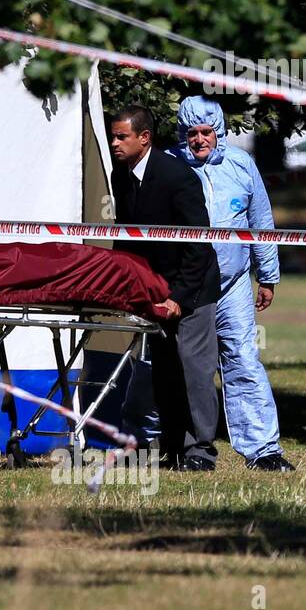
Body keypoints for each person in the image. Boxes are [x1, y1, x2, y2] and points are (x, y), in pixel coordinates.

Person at [170, 97, 295, 471]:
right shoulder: (170, 166)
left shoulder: (242, 165)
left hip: (234, 283)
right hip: (187, 286)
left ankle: (263, 449)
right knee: (187, 365)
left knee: (243, 358)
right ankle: (178, 447)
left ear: (219, 132)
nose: (199, 140)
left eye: (206, 132)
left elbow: (261, 223)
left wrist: (267, 275)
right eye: (191, 133)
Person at [109, 105, 222, 471]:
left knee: (194, 371)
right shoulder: (120, 175)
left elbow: (199, 243)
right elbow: (127, 236)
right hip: (154, 287)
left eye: (121, 136)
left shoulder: (178, 177)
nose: (114, 143)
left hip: (192, 288)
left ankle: (200, 451)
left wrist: (179, 296)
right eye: (113, 136)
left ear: (144, 138)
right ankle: (173, 447)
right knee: (164, 372)